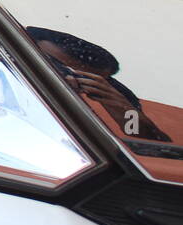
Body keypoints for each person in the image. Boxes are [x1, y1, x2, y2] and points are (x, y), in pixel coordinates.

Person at [26, 26, 171, 142]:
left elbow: (150, 143)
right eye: (52, 65)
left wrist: (124, 109)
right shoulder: (13, 67)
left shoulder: (112, 95)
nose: (65, 77)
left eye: (81, 76)